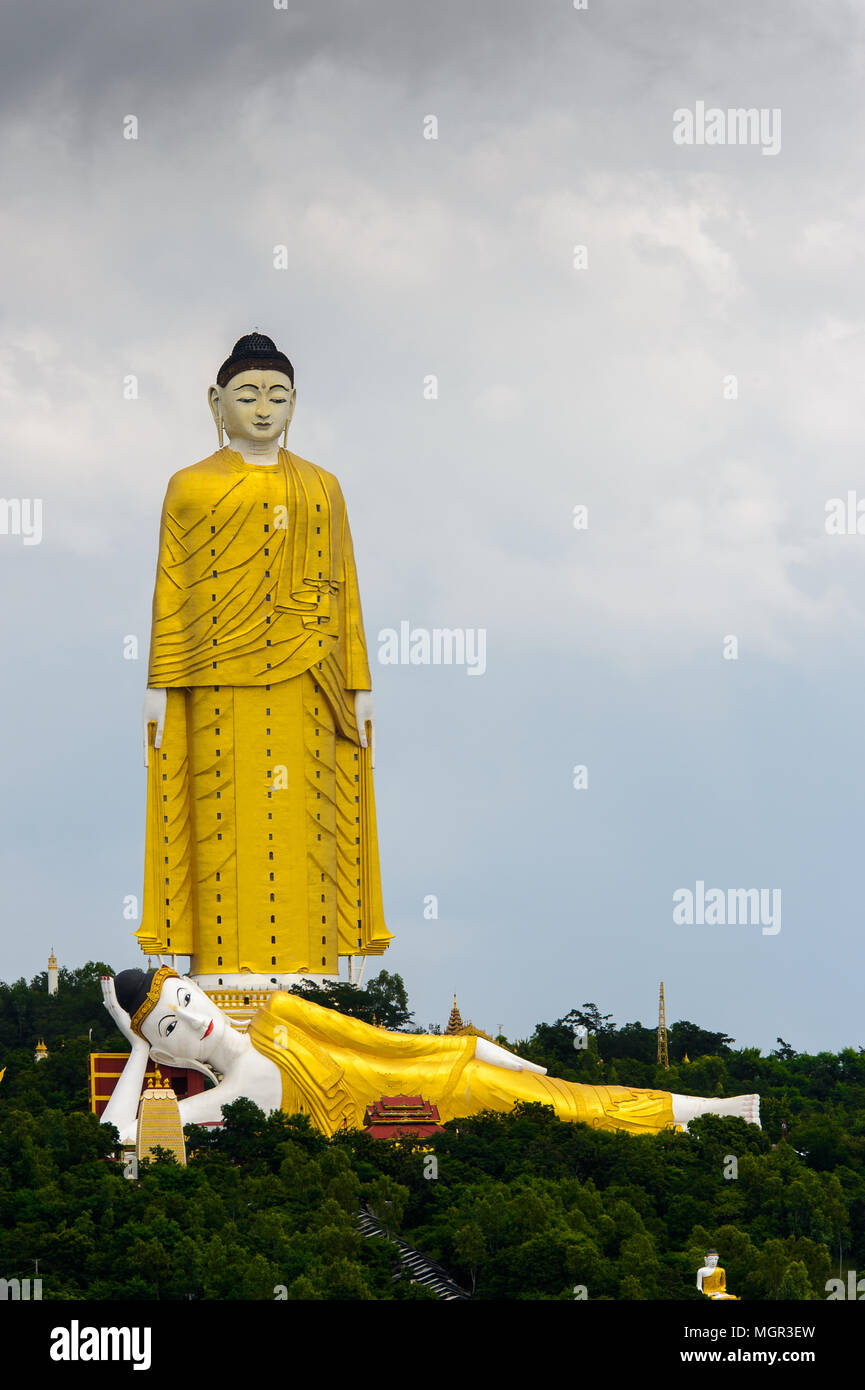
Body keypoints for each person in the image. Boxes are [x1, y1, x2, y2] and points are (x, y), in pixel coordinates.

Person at [134, 333, 391, 988]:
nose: (262, 408)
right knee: (222, 826)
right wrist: (160, 686)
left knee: (309, 828)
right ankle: (221, 974)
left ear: (295, 403)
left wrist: (359, 683)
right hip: (217, 683)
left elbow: (347, 590)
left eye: (277, 395)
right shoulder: (189, 488)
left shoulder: (321, 488)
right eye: (246, 394)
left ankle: (314, 978)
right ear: (216, 402)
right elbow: (173, 589)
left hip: (309, 681)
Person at [100, 968, 761, 1146]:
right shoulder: (225, 1098)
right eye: (170, 1028)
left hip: (446, 1077)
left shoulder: (280, 1012)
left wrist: (473, 1046)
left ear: (200, 990)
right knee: (573, 1118)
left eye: (185, 998)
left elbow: (383, 1042)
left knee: (573, 1100)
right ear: (165, 1048)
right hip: (420, 1126)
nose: (194, 1019)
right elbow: (118, 1134)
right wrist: (135, 1053)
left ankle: (719, 1112)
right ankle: (716, 1117)